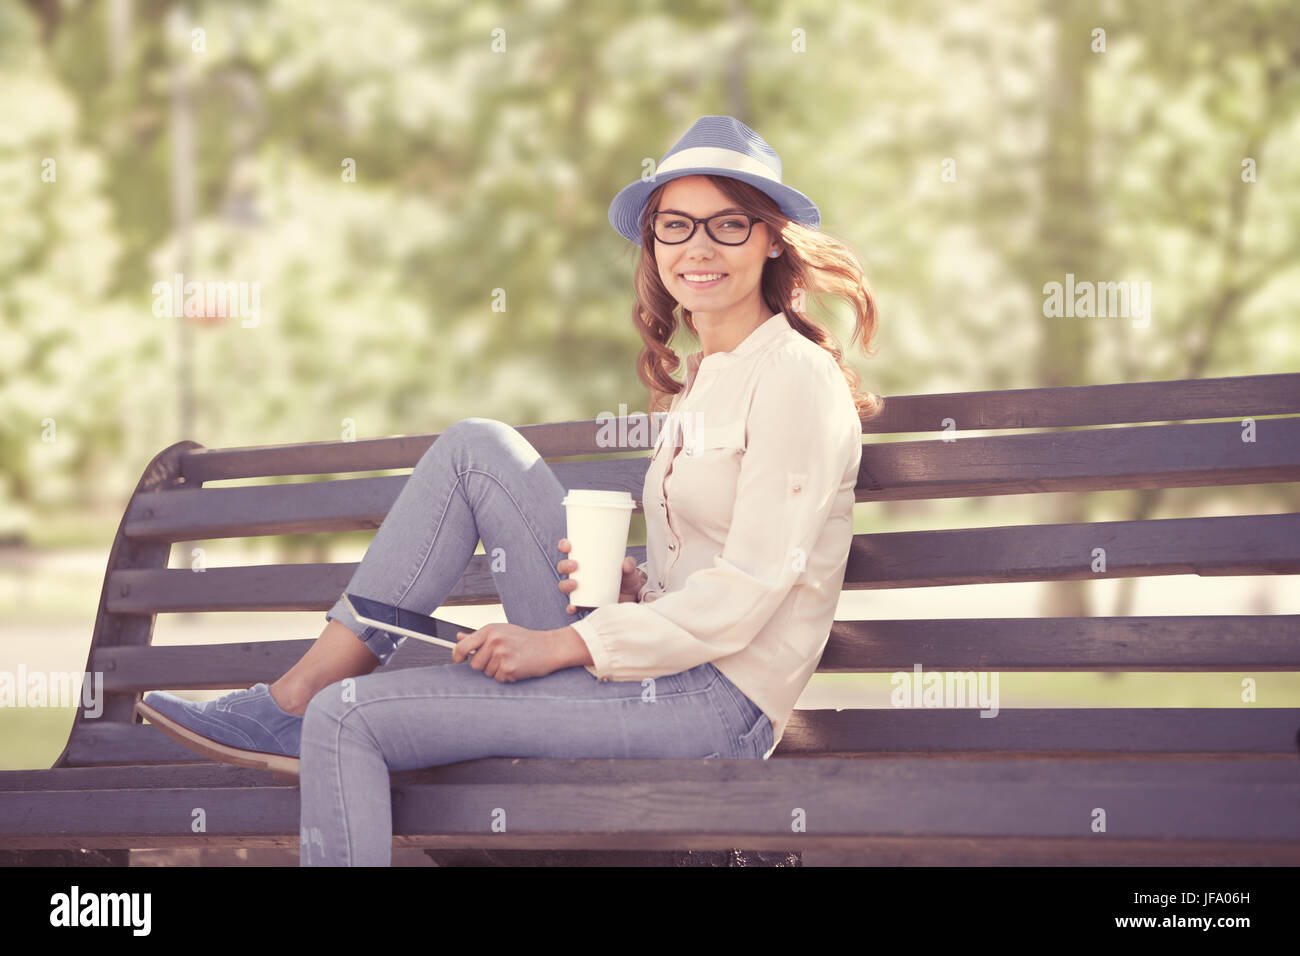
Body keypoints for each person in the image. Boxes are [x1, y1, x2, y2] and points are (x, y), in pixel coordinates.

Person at [136, 114, 883, 866]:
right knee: (475, 448)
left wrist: (562, 642)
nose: (697, 246)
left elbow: (749, 590)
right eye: (675, 225)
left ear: (771, 238)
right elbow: (703, 571)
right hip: (660, 663)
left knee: (349, 717)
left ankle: (297, 709)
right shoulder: (706, 380)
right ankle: (289, 701)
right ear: (653, 244)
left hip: (716, 705)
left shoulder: (793, 377)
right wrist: (636, 591)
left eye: (728, 224)